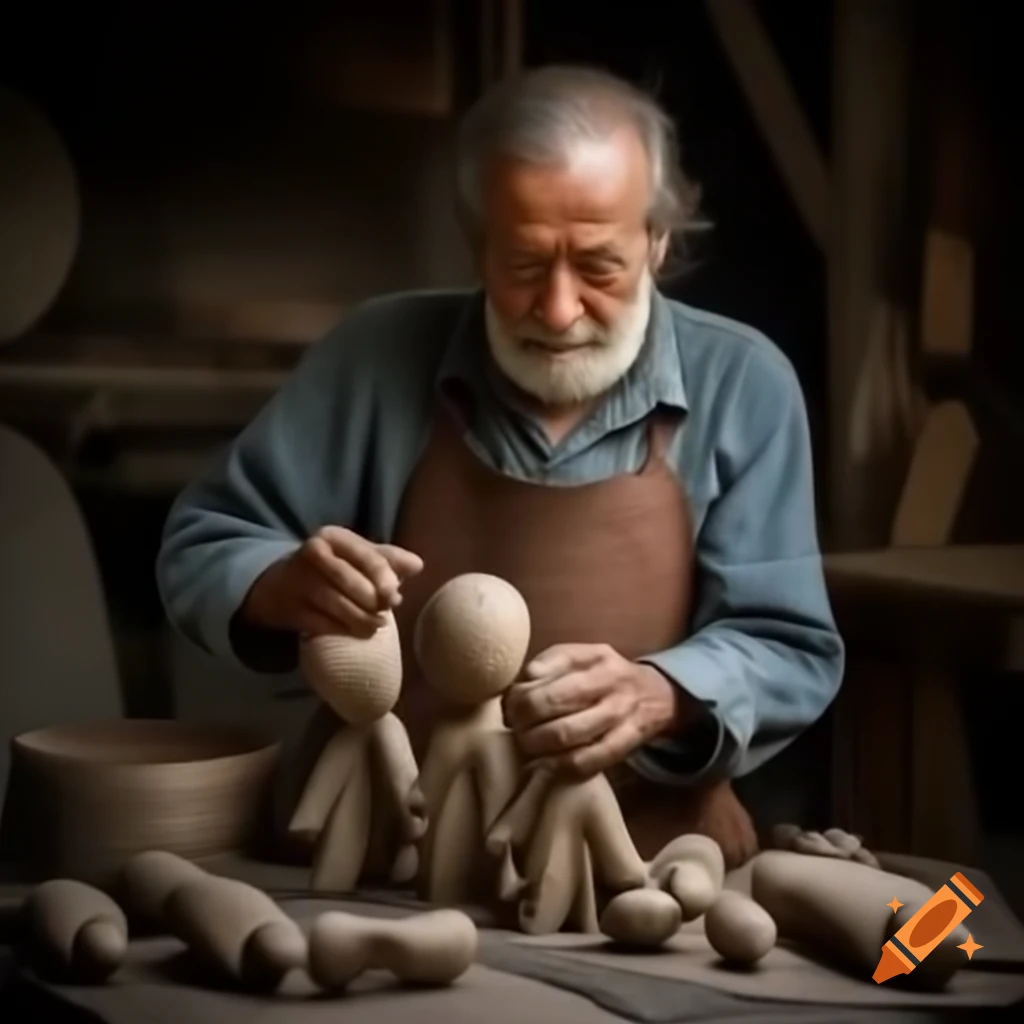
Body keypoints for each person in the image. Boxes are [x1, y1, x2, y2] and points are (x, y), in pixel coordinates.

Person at [156, 65, 844, 869]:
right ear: (477, 244)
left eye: (599, 267)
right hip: (394, 860)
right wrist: (275, 583)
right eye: (522, 265)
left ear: (656, 242)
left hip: (643, 865)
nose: (557, 311)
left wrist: (668, 691)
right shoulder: (372, 357)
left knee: (935, 937)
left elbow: (791, 643)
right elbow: (200, 542)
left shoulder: (744, 385)